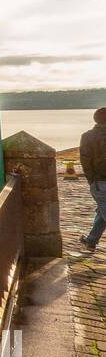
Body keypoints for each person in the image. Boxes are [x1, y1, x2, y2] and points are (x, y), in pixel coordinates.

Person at [79, 107, 106, 251]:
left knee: (103, 209)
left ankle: (91, 240)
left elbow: (85, 161)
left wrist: (92, 180)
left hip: (100, 181)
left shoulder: (87, 136)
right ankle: (91, 240)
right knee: (102, 211)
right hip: (100, 181)